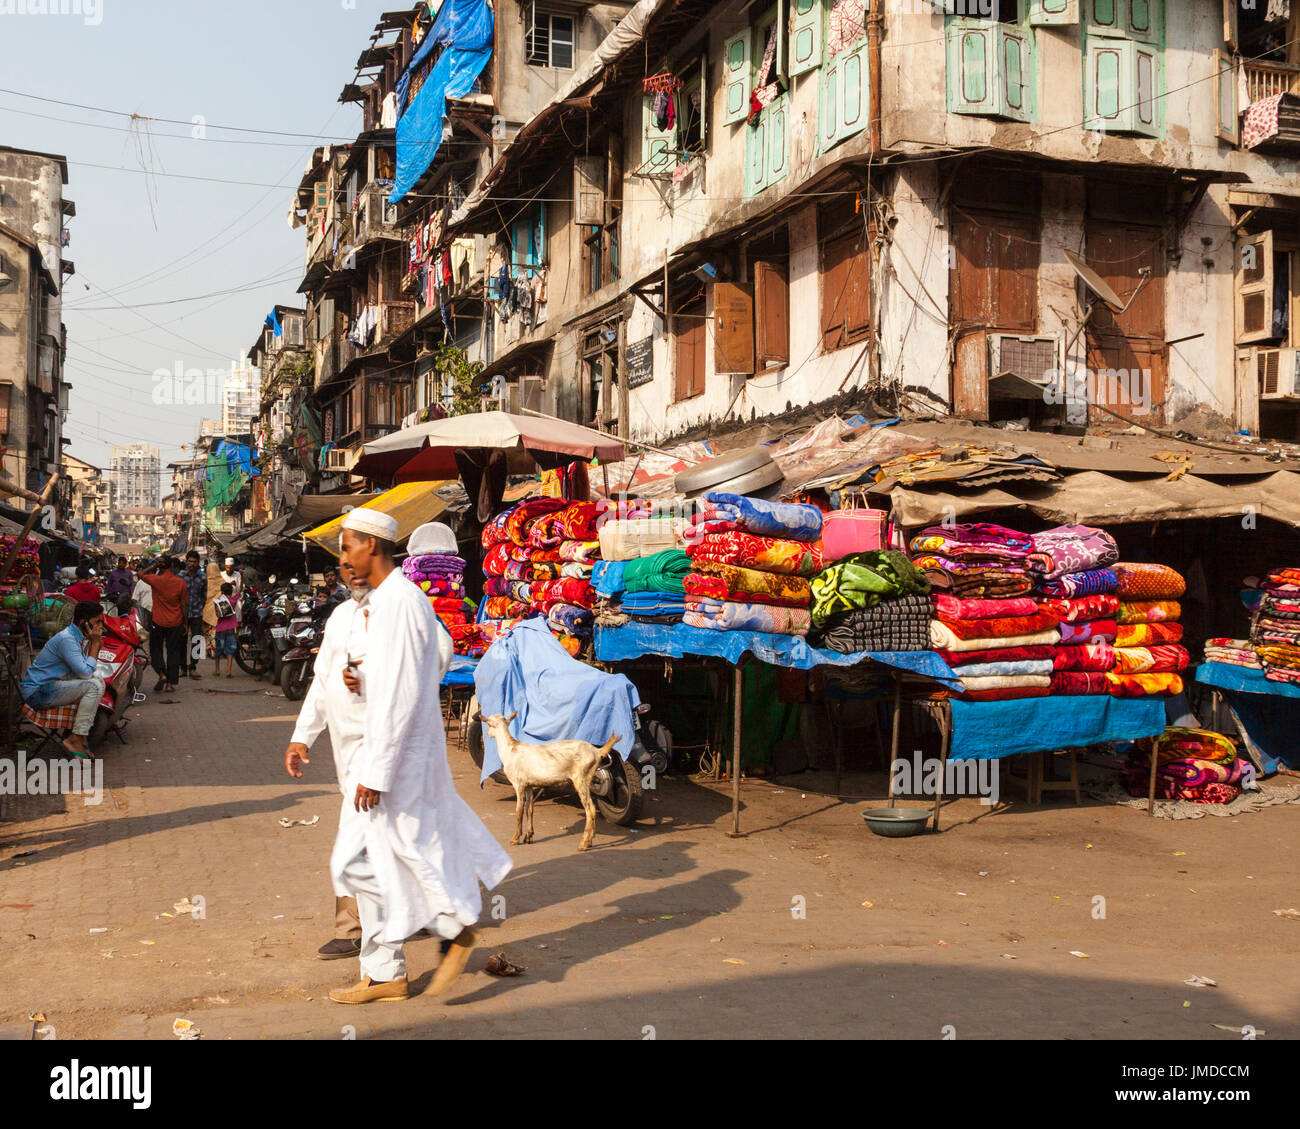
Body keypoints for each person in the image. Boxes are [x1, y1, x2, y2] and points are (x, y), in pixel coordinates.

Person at [285, 511, 511, 1005]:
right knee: (375, 866)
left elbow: (409, 685)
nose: (343, 562)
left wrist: (378, 770)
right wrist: (305, 735)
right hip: (363, 763)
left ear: (373, 546)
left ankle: (441, 934)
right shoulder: (349, 613)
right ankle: (391, 967)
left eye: (348, 549)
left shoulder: (406, 602)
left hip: (392, 764)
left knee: (368, 862)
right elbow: (328, 678)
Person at [285, 560, 368, 961]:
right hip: (347, 755)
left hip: (380, 757)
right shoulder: (339, 615)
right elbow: (322, 682)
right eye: (345, 564)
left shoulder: (402, 612)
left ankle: (353, 930)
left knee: (352, 845)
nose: (353, 573)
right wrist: (302, 738)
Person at [20, 601, 106, 760]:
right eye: (97, 622)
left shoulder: (75, 637)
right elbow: (85, 673)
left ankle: (81, 737)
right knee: (93, 685)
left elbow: (82, 672)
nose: (101, 626)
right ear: (83, 622)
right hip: (38, 692)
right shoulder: (67, 639)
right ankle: (76, 738)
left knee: (99, 682)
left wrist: (94, 643)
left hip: (49, 687)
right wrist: (95, 644)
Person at [139, 556, 188, 692]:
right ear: (172, 564)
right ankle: (170, 684)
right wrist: (185, 623)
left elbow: (140, 574)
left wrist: (154, 565)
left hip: (158, 621)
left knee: (155, 650)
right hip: (175, 621)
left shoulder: (156, 580)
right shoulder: (180, 582)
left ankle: (162, 674)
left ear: (160, 566)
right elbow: (184, 605)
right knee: (173, 652)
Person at [178, 552, 208, 680]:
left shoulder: (202, 578)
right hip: (181, 615)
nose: (192, 564)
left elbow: (204, 596)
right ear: (186, 562)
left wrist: (201, 610)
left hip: (196, 613)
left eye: (194, 562)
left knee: (197, 640)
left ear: (198, 563)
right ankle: (183, 668)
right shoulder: (180, 577)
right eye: (190, 561)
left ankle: (193, 667)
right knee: (181, 642)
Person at [212, 583, 239, 679]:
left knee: (218, 649)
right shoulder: (233, 600)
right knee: (230, 650)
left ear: (222, 591)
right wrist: (242, 575)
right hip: (231, 628)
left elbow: (217, 615)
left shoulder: (218, 601)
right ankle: (228, 671)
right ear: (231, 591)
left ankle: (217, 670)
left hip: (220, 628)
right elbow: (239, 590)